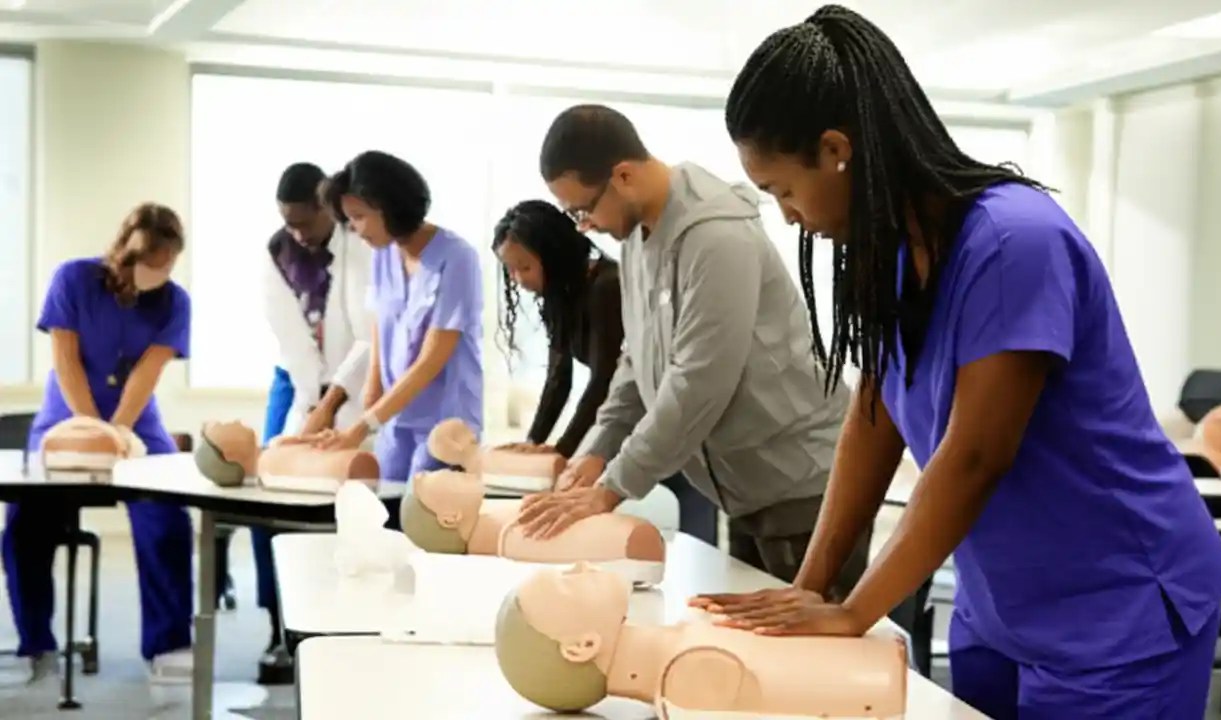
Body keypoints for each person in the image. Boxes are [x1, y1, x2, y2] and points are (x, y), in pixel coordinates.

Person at [690, 7, 1221, 718]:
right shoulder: (890, 255)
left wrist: (856, 612)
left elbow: (977, 454)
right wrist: (812, 584)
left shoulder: (1015, 242)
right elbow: (873, 419)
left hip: (1117, 607)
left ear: (835, 149)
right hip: (1003, 603)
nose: (788, 216)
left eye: (782, 190)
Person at [516, 105, 869, 603]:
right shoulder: (639, 237)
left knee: (813, 663)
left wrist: (613, 487)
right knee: (756, 651)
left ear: (623, 176)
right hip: (745, 489)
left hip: (803, 487)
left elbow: (699, 381)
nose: (585, 226)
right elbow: (637, 363)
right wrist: (596, 451)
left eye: (583, 209)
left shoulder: (716, 236)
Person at [3, 203, 195, 683]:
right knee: (25, 523)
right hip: (66, 418)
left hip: (137, 425)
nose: (158, 271)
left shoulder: (175, 303)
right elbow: (66, 360)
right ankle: (35, 645)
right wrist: (91, 429)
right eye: (149, 261)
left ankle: (169, 645)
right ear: (125, 252)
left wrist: (117, 433)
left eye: (167, 262)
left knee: (168, 519)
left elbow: (145, 375)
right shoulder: (73, 280)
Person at [492, 199, 719, 545]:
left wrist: (566, 450)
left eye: (524, 267)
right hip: (633, 425)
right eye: (511, 271)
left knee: (695, 538)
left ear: (552, 254)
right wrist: (536, 443)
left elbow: (604, 380)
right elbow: (558, 377)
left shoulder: (607, 287)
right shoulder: (563, 297)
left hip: (671, 422)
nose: (518, 280)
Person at [251, 161, 373, 684]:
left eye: (305, 222)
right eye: (288, 222)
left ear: (327, 209)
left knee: (348, 497)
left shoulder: (359, 243)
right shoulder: (277, 253)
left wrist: (332, 404)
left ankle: (338, 625)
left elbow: (371, 335)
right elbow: (293, 344)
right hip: (297, 378)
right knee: (269, 490)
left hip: (356, 377)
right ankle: (279, 628)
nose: (297, 233)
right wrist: (309, 408)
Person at [312, 150, 483, 499]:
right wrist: (370, 400)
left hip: (445, 423)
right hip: (395, 419)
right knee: (383, 520)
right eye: (350, 220)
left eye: (359, 217)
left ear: (390, 206)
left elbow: (432, 358)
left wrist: (364, 424)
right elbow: (380, 329)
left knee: (424, 518)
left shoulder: (457, 257)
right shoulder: (383, 255)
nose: (356, 230)